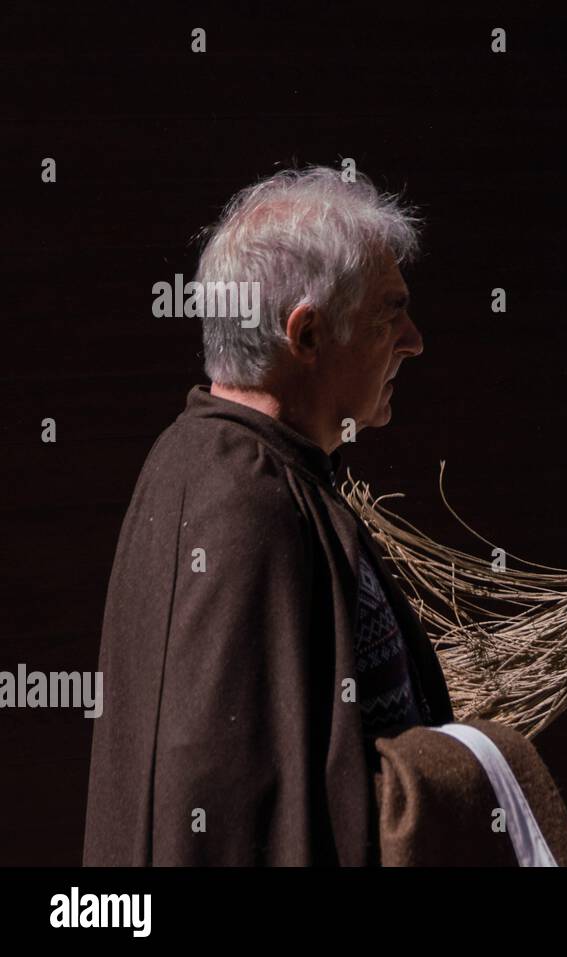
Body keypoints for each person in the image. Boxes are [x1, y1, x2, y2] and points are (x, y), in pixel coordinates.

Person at [83, 167, 455, 865]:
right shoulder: (242, 494)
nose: (413, 339)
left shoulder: (241, 469)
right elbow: (223, 805)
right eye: (389, 311)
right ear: (307, 334)